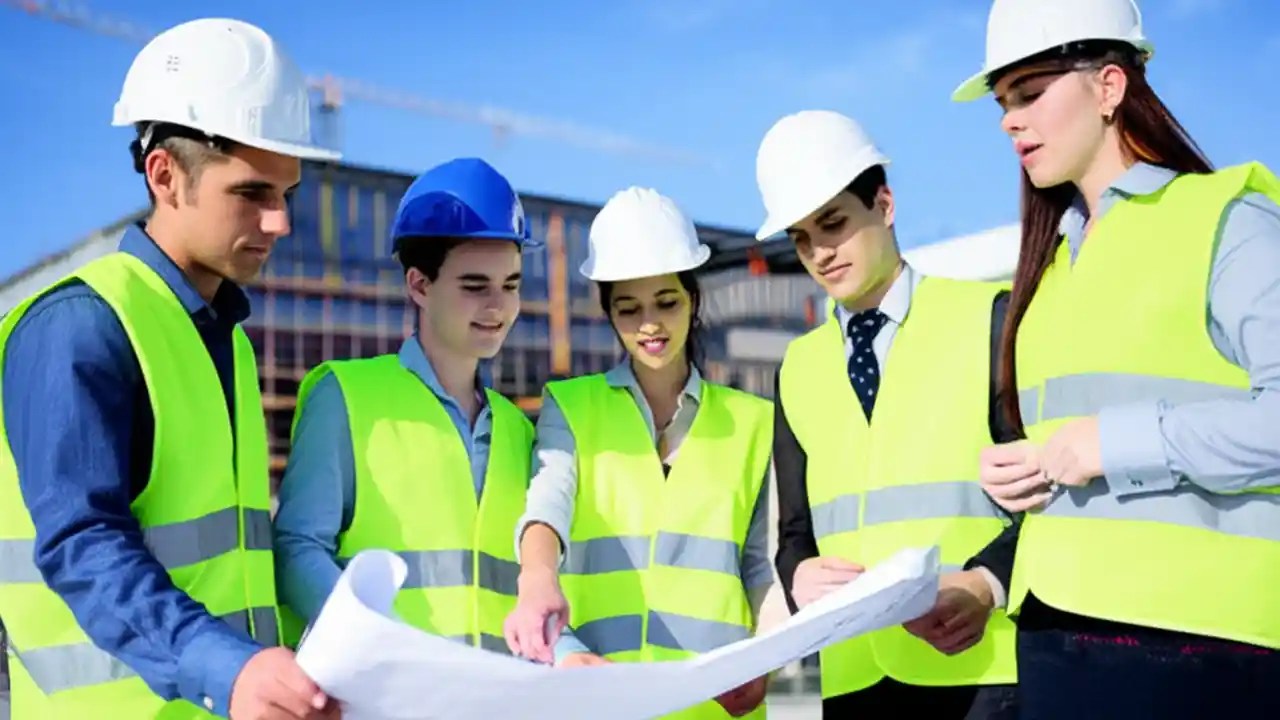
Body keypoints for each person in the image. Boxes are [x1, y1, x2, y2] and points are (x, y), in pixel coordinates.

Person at [0, 17, 342, 720]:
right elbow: (82, 544)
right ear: (165, 176)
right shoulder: (80, 327)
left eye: (286, 195)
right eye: (252, 193)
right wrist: (228, 668)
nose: (279, 222)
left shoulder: (227, 340)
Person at [951, 0, 1280, 718]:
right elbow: (1075, 452)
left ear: (1109, 87)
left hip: (1202, 645)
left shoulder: (1229, 220)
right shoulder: (1049, 273)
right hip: (1055, 637)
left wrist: (1113, 444)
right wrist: (1027, 470)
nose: (1009, 120)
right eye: (1003, 103)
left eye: (1029, 93)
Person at [758, 109, 1020, 719]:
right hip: (854, 679)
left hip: (982, 668)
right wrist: (799, 577)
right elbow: (794, 536)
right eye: (801, 238)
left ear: (885, 204)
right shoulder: (797, 366)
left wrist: (987, 583)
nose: (820, 253)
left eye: (833, 224)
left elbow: (1052, 500)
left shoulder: (990, 319)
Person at [503, 187, 775, 719]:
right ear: (608, 312)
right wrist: (537, 580)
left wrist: (766, 659)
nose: (650, 324)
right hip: (598, 699)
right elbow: (546, 509)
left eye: (667, 303)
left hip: (718, 707)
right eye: (629, 309)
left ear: (693, 299)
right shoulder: (572, 407)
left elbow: (759, 565)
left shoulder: (753, 421)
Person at [273, 158, 537, 654]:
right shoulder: (344, 397)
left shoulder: (518, 430)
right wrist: (381, 646)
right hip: (383, 686)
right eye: (475, 286)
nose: (498, 307)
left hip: (495, 690)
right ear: (419, 285)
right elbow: (296, 550)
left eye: (511, 285)